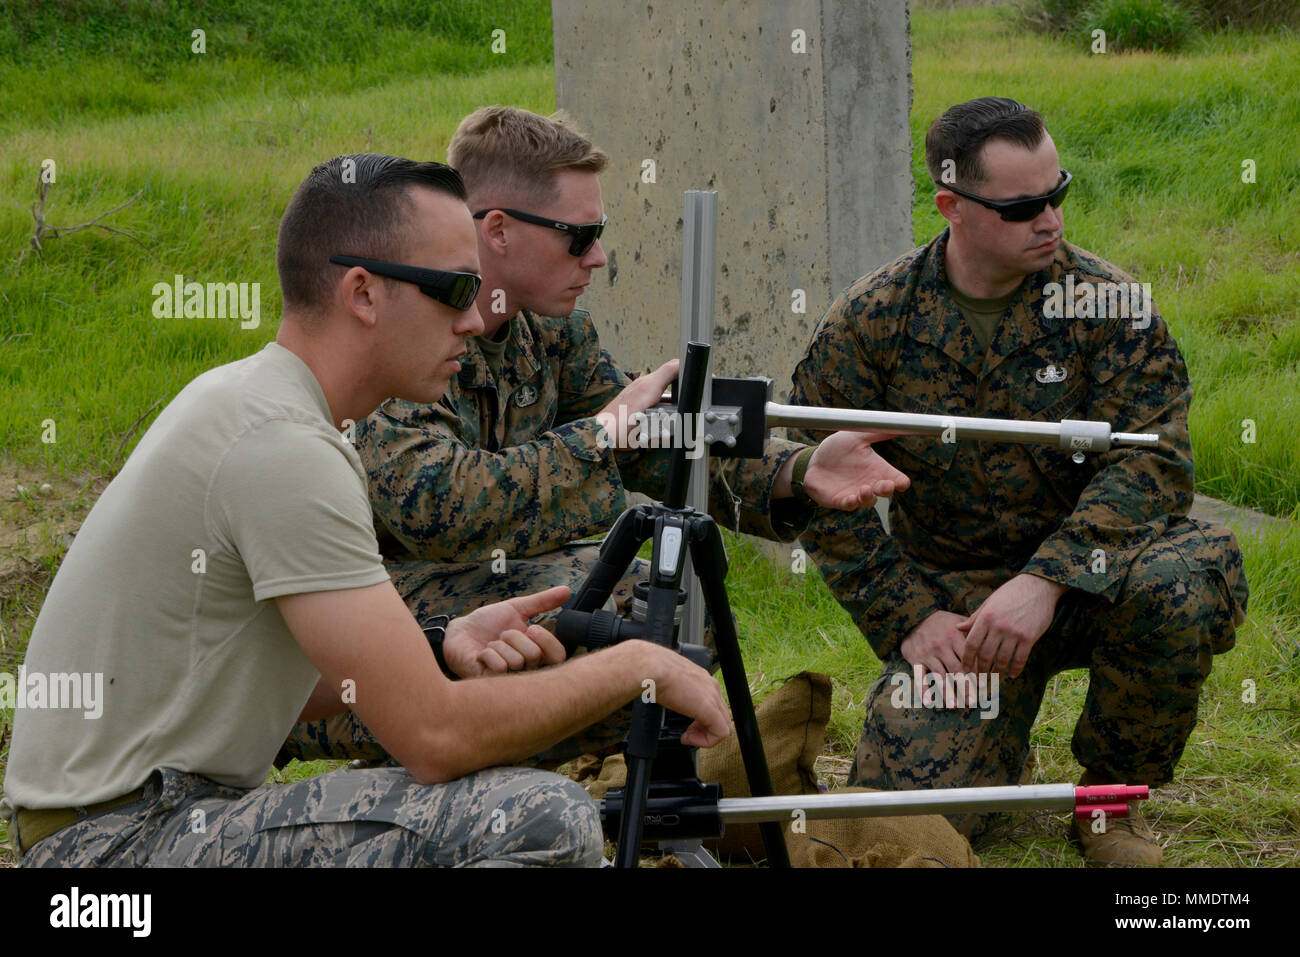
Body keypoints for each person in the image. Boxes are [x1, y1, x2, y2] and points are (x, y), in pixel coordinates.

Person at [1, 154, 734, 867]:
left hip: (125, 824)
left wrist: (439, 643)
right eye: (454, 289)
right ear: (362, 293)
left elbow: (247, 678)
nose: (476, 320)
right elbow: (434, 738)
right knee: (545, 819)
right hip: (114, 845)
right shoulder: (283, 448)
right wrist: (636, 665)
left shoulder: (265, 407)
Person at [281, 107, 907, 766]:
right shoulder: (405, 327)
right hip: (347, 627)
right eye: (580, 236)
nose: (599, 257)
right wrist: (597, 438)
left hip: (466, 595)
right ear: (498, 230)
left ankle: (479, 779)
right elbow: (447, 508)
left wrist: (797, 468)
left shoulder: (550, 332)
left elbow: (647, 431)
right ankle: (432, 764)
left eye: (599, 233)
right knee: (607, 622)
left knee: (673, 607)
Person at [789, 97, 1248, 866]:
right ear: (953, 207)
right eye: (1023, 206)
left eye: (1057, 193)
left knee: (1183, 578)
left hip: (1093, 581)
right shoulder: (874, 320)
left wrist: (1046, 580)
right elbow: (807, 476)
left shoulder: (1109, 305)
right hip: (958, 611)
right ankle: (996, 755)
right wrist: (908, 614)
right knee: (906, 825)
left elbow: (1154, 462)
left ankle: (1111, 799)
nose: (1052, 221)